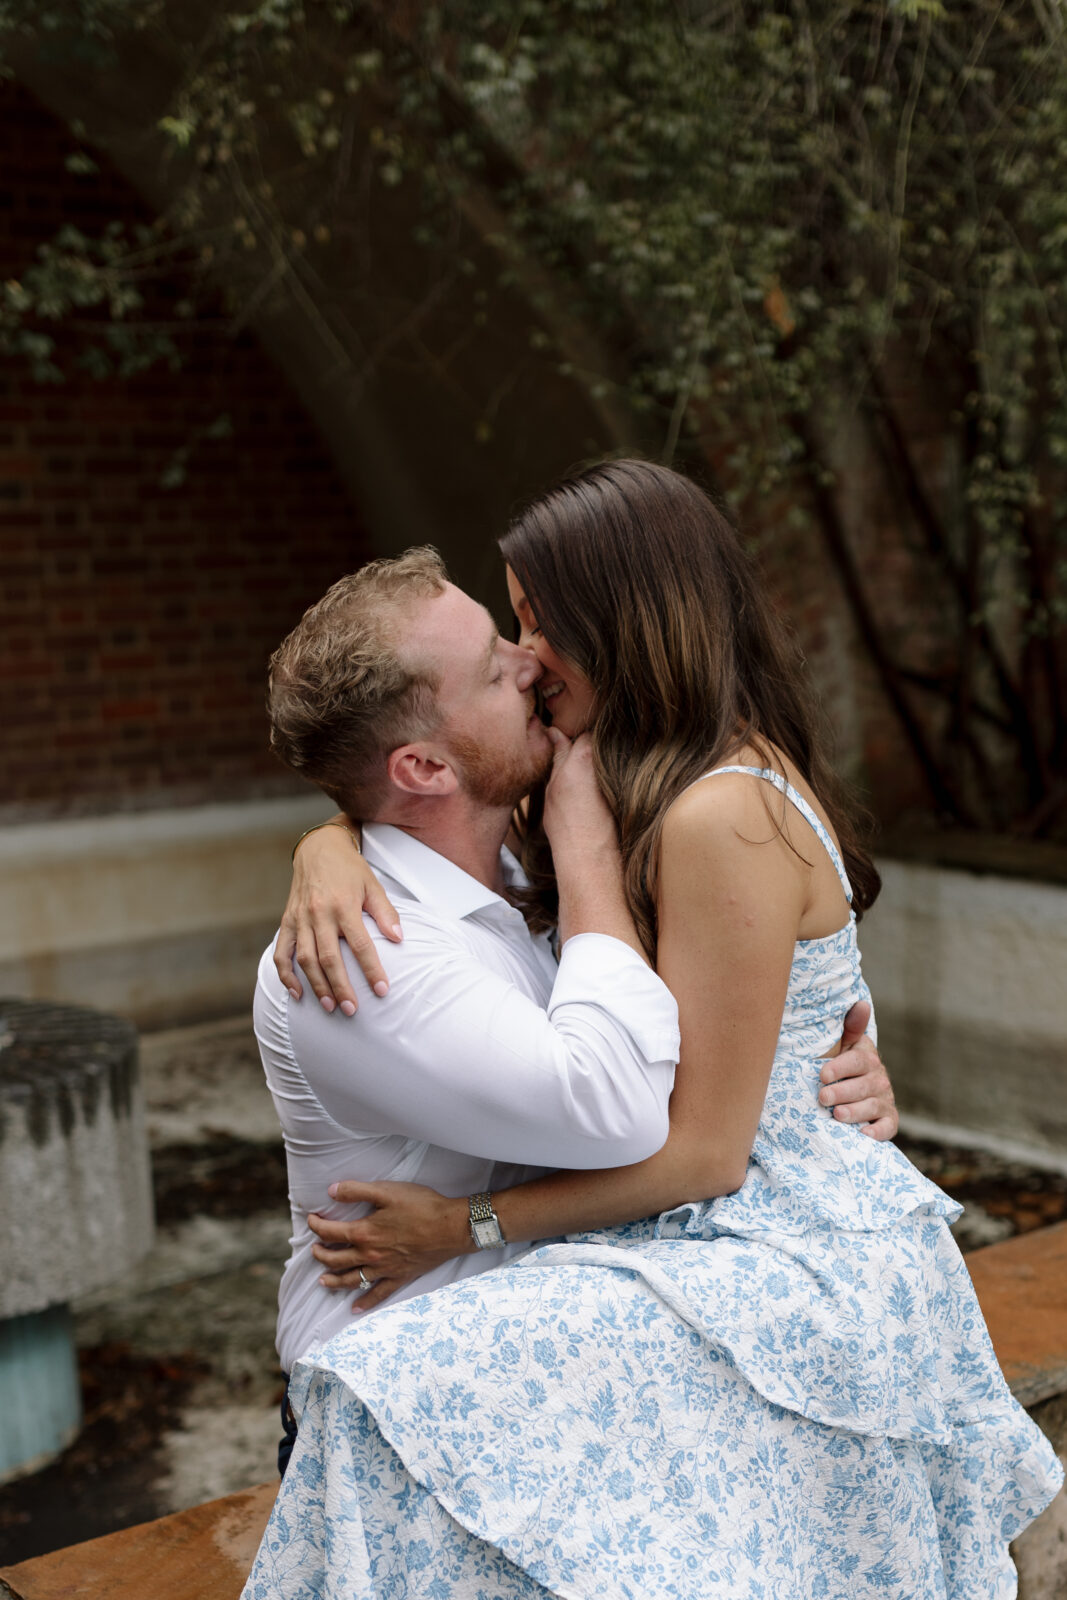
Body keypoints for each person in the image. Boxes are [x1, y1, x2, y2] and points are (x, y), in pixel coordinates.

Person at [245, 463, 1060, 1600]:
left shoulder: (673, 810)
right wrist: (331, 839)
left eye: (528, 625)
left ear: (617, 628)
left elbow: (695, 1138)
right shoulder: (418, 914)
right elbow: (404, 788)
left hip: (726, 1224)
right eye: (504, 644)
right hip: (470, 1323)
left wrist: (464, 1223)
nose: (526, 660)